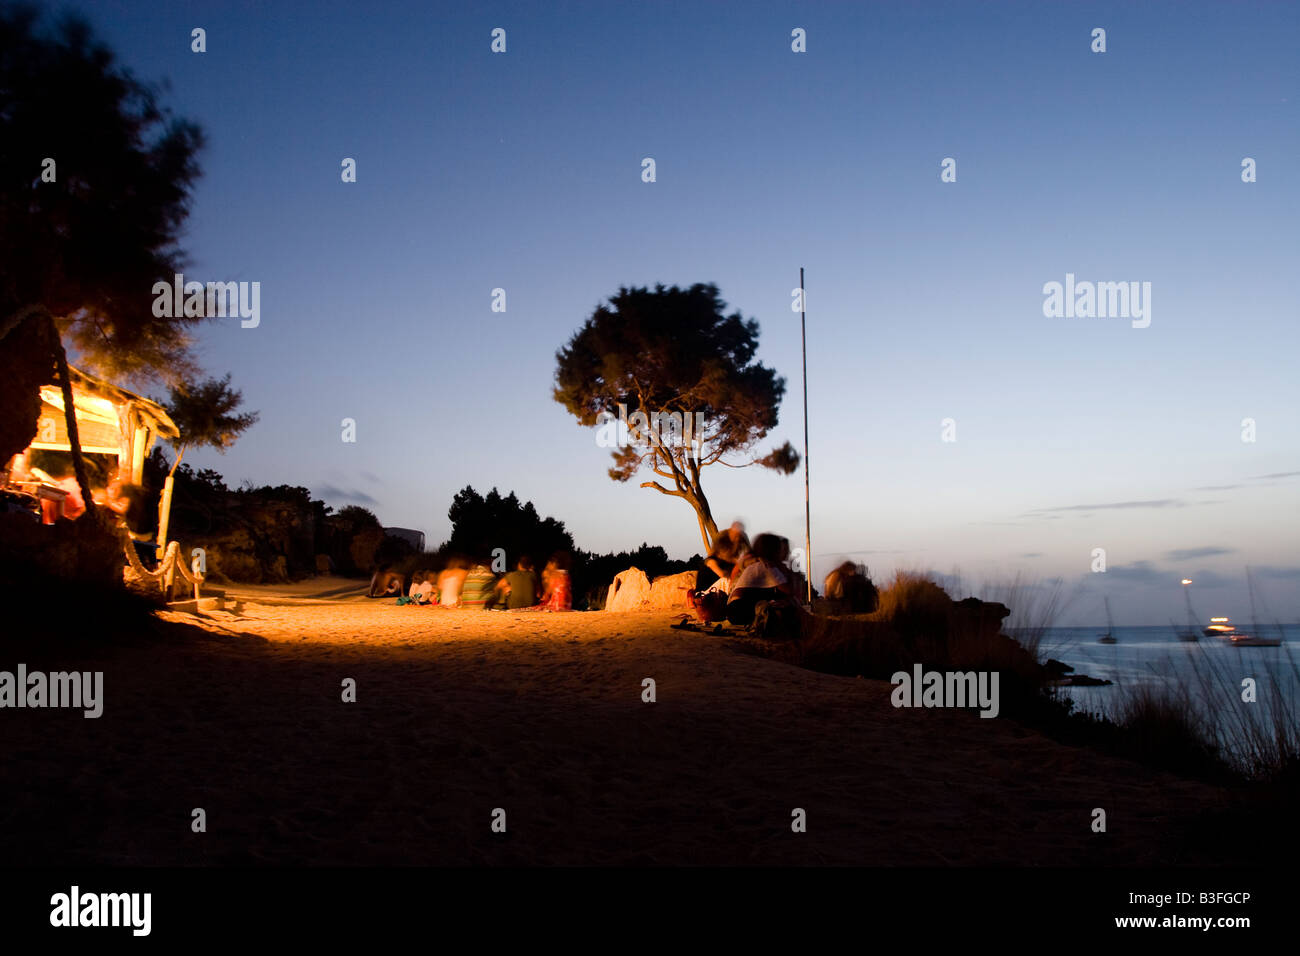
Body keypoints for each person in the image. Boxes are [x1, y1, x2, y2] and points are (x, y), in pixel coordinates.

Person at [104, 472, 156, 568]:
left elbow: (122, 508)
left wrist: (107, 501)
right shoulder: (136, 491)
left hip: (138, 534)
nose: (114, 491)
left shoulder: (129, 493)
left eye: (115, 489)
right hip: (146, 532)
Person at [704, 520, 750, 590]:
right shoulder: (722, 536)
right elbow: (721, 555)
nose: (737, 538)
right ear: (731, 530)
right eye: (736, 535)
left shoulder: (743, 536)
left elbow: (749, 551)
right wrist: (736, 561)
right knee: (712, 563)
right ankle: (724, 580)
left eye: (739, 535)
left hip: (731, 563)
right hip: (717, 560)